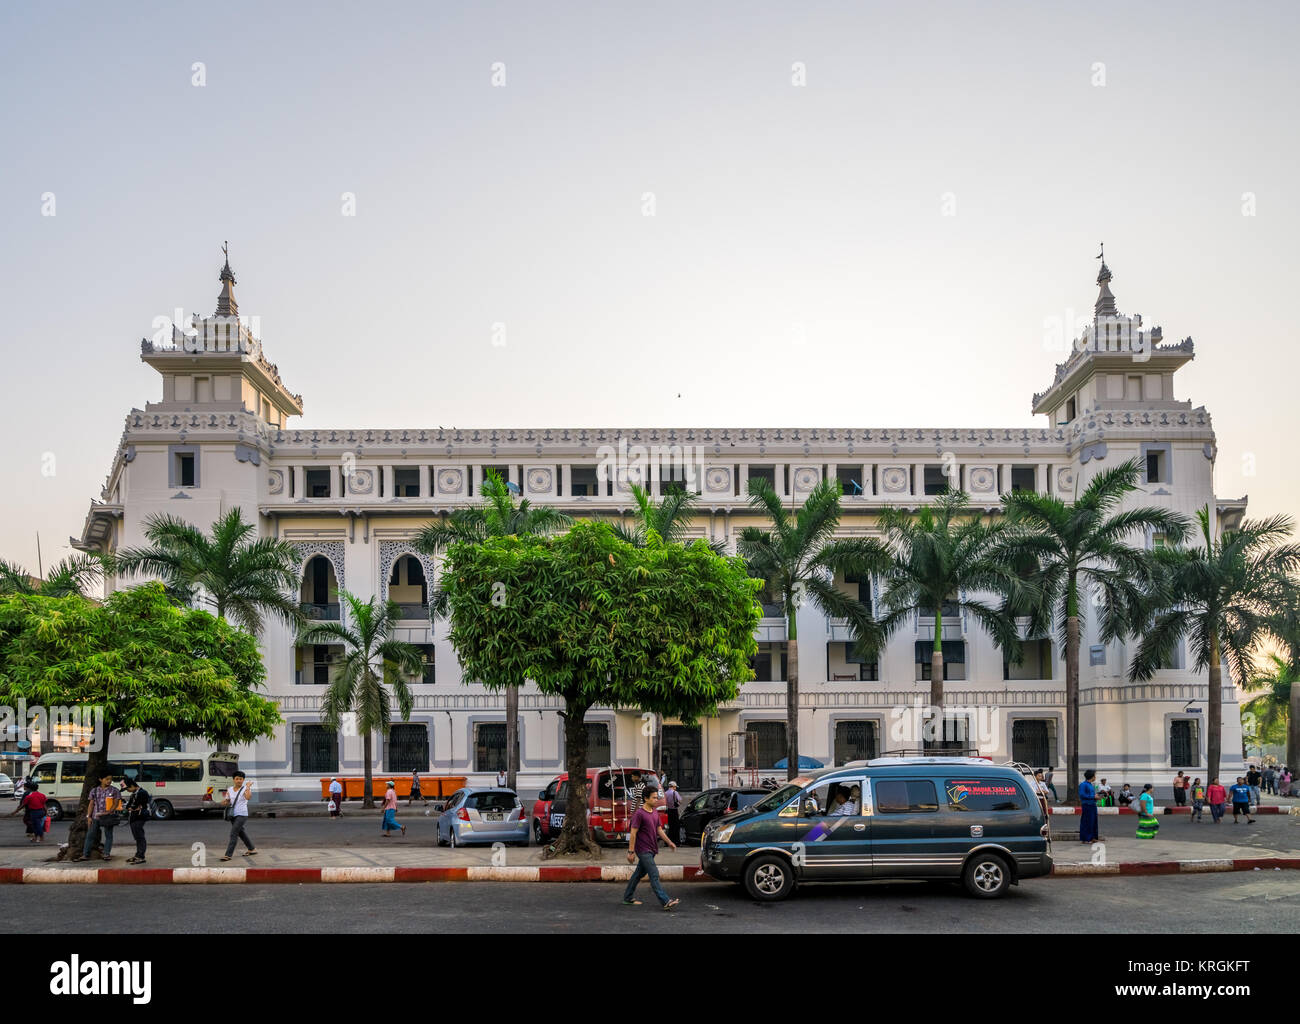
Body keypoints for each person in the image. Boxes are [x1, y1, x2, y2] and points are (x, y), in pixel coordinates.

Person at [622, 783, 679, 910]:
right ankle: (665, 901)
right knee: (654, 874)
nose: (656, 800)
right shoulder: (639, 814)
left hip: (652, 849)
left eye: (656, 797)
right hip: (643, 850)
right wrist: (630, 852)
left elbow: (659, 830)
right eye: (653, 797)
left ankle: (627, 897)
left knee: (638, 874)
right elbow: (633, 833)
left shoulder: (654, 812)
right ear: (646, 798)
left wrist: (669, 842)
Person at [78, 771, 122, 862]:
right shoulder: (94, 790)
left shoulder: (115, 790)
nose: (109, 781)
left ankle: (106, 854)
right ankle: (85, 854)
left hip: (108, 817)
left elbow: (116, 803)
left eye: (110, 779)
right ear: (100, 779)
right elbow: (91, 804)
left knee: (108, 835)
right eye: (107, 779)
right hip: (95, 816)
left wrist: (108, 812)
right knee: (90, 835)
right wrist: (88, 816)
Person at [220, 770, 257, 861]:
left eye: (241, 779)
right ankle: (252, 849)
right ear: (233, 780)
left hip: (242, 814)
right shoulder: (230, 789)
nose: (239, 781)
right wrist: (224, 802)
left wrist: (248, 787)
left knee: (234, 833)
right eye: (237, 779)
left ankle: (228, 855)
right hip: (233, 814)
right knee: (241, 832)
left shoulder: (245, 789)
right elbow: (227, 801)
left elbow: (248, 797)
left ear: (243, 780)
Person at [122, 775, 152, 865]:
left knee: (140, 837)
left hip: (140, 817)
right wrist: (131, 807)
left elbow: (135, 806)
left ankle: (141, 856)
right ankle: (137, 855)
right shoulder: (134, 794)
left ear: (132, 785)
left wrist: (132, 807)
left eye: (127, 789)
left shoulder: (142, 793)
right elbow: (129, 807)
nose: (127, 791)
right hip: (133, 818)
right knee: (137, 838)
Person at [1079, 769, 1100, 844]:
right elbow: (1082, 795)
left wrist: (1097, 797)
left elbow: (1092, 795)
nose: (1095, 777)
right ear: (1091, 776)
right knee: (1087, 822)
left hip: (1092, 805)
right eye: (1094, 776)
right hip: (1087, 805)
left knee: (1093, 821)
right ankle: (1086, 838)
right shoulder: (1083, 784)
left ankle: (1093, 837)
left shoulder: (1090, 785)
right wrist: (1093, 797)